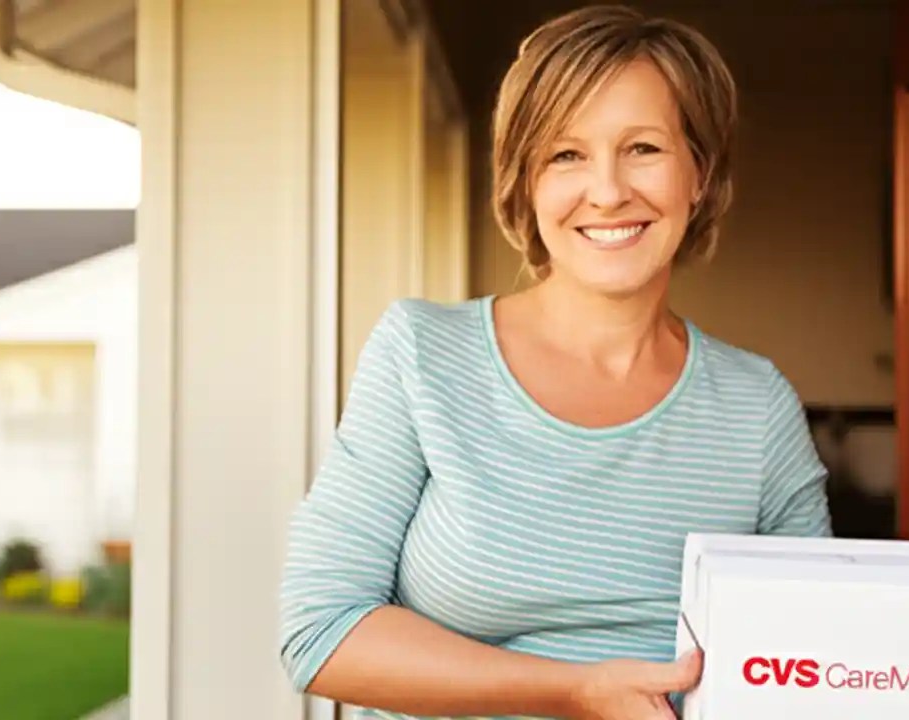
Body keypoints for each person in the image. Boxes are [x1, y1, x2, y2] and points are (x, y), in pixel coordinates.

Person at [278, 5, 832, 719]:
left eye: (643, 149)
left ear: (700, 173)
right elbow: (320, 633)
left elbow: (812, 660)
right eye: (565, 155)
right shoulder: (421, 356)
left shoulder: (757, 406)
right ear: (526, 183)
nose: (607, 190)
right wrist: (573, 690)